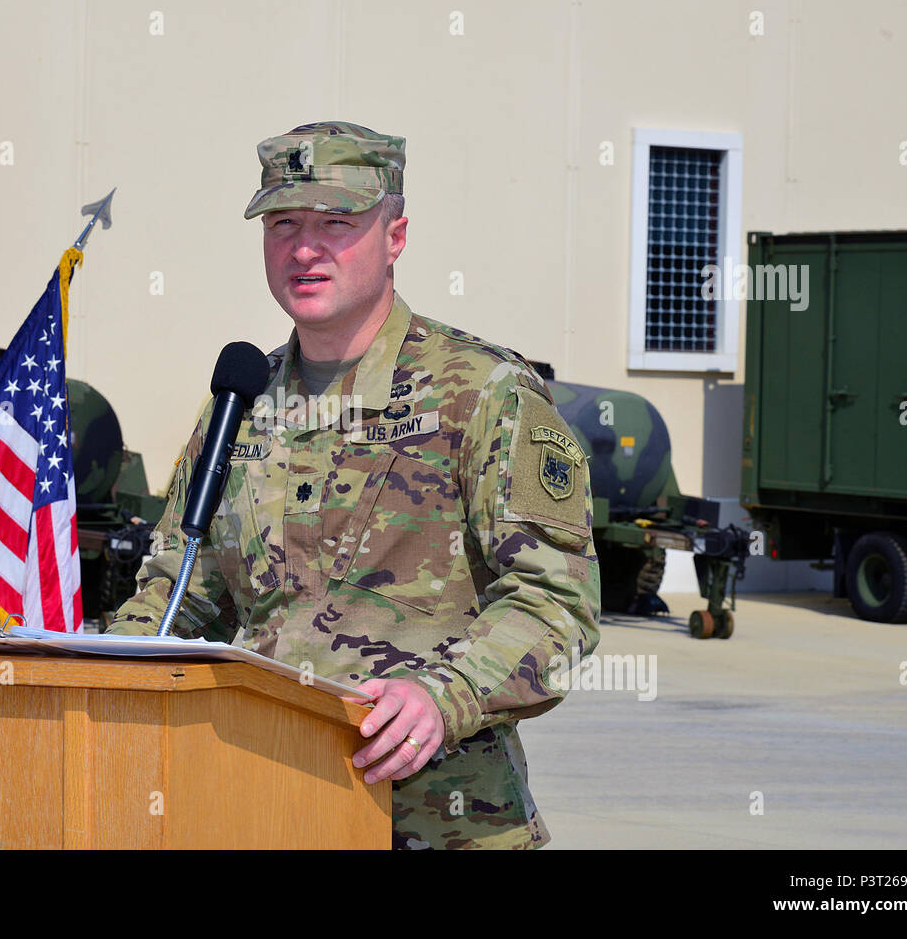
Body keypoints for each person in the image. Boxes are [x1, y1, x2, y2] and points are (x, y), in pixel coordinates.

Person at [107, 121, 600, 849]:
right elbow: (181, 593)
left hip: (441, 821)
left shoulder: (484, 392)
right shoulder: (240, 402)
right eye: (283, 224)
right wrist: (102, 679)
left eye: (336, 222)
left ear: (395, 235)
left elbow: (558, 606)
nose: (304, 249)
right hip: (267, 805)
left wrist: (444, 697)